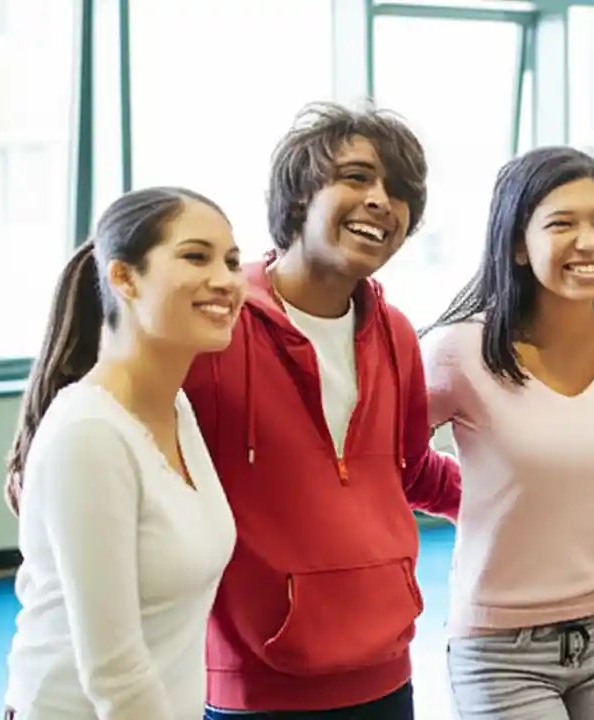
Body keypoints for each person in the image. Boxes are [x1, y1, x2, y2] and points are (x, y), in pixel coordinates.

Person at [186, 101, 461, 719]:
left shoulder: (395, 333)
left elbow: (411, 469)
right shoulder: (215, 325)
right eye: (357, 177)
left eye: (399, 190)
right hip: (254, 686)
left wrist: (518, 501)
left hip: (385, 674)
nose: (381, 201)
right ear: (299, 197)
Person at [420, 146, 594, 719]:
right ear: (517, 244)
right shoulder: (459, 352)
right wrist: (458, 495)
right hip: (499, 648)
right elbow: (383, 457)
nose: (589, 241)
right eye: (562, 224)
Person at [2, 187, 243, 719]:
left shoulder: (175, 406)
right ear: (124, 278)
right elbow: (114, 672)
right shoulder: (89, 433)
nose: (226, 280)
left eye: (231, 261)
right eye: (196, 256)